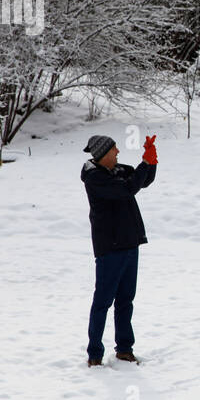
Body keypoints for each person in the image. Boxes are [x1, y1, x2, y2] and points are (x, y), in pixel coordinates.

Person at [81, 133, 157, 366]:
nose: (118, 152)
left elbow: (141, 180)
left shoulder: (117, 170)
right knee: (103, 301)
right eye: (114, 149)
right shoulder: (95, 177)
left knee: (126, 300)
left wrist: (150, 162)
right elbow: (127, 189)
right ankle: (95, 353)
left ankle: (125, 348)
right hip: (110, 247)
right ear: (103, 154)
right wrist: (145, 165)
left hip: (129, 243)